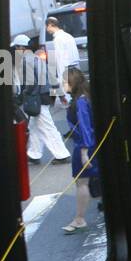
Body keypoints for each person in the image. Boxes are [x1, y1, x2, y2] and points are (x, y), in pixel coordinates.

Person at [13, 34, 70, 162]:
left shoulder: (24, 62)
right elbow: (52, 77)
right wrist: (60, 95)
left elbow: (30, 84)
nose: (16, 50)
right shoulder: (38, 59)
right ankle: (34, 153)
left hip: (36, 98)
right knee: (34, 126)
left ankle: (62, 155)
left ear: (21, 47)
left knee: (47, 127)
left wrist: (24, 95)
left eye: (16, 47)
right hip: (45, 96)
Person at [63, 67, 97, 234]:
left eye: (65, 82)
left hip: (84, 146)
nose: (62, 85)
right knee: (84, 181)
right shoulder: (84, 97)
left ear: (72, 82)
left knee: (82, 182)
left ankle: (80, 218)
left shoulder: (81, 101)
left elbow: (84, 127)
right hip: (87, 144)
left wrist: (84, 152)